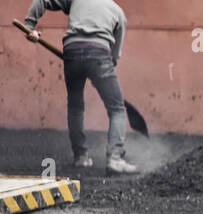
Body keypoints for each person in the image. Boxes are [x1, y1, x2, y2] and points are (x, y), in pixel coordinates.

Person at [24, 0, 137, 174]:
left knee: (75, 107)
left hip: (72, 51)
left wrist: (29, 26)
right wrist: (100, 68)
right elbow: (114, 57)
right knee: (117, 108)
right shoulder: (118, 12)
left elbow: (42, 0)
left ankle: (81, 157)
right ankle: (115, 158)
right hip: (100, 54)